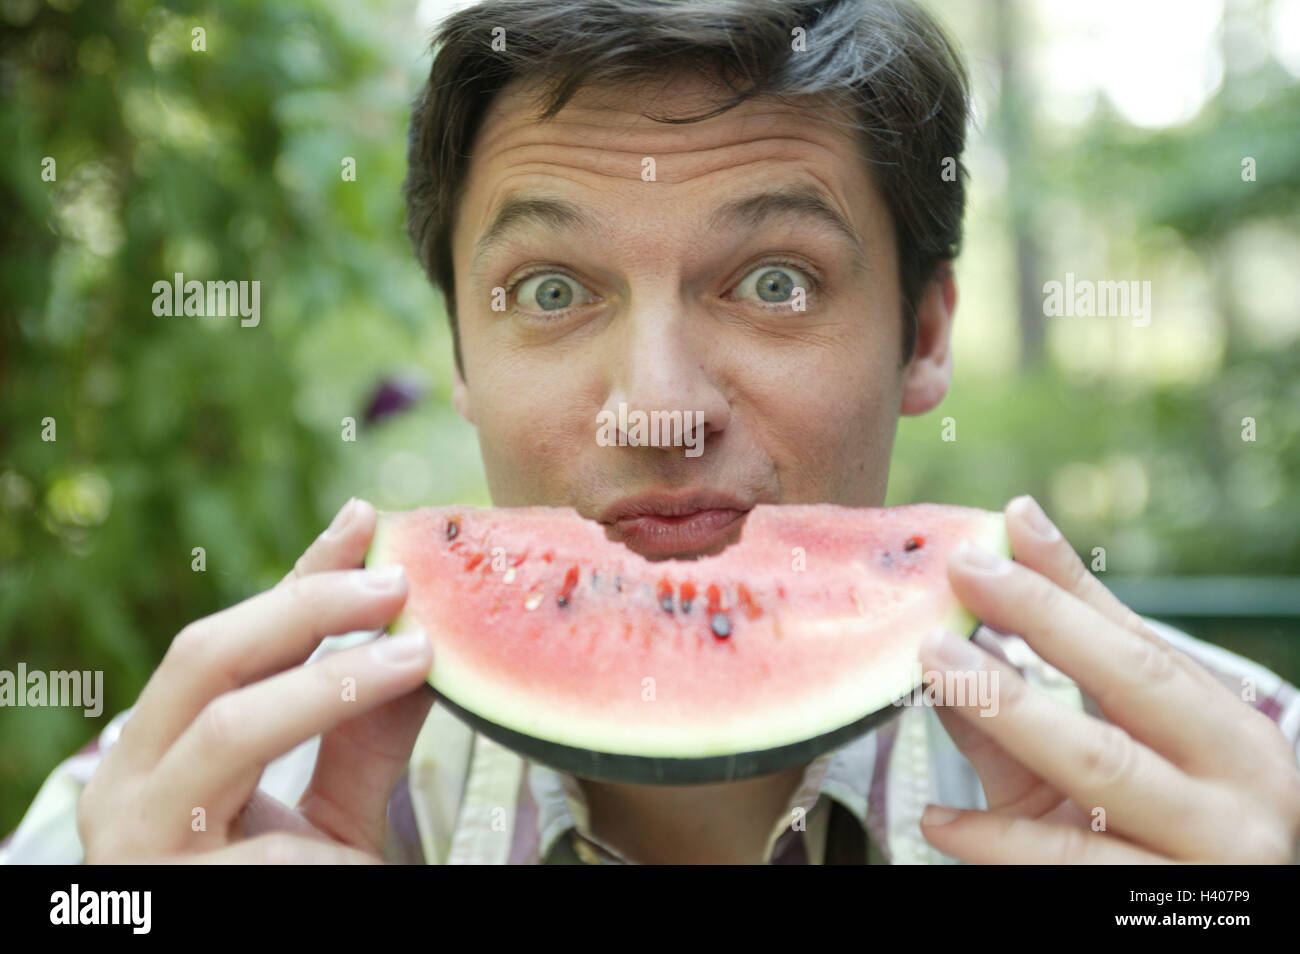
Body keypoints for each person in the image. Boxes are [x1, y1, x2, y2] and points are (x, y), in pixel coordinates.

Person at [4, 0, 1298, 865]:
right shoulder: (178, 810)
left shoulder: (1244, 788)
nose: (657, 408)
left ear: (923, 333)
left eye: (775, 281)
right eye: (552, 292)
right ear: (460, 351)